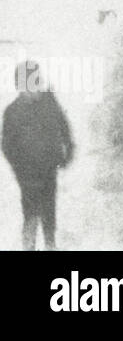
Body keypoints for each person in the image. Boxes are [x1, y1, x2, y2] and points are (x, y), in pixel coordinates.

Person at [2, 62, 73, 251]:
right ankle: (29, 246)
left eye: (37, 81)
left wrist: (68, 150)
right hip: (27, 174)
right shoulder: (13, 111)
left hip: (49, 167)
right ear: (20, 86)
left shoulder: (49, 103)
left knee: (49, 209)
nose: (36, 88)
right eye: (30, 84)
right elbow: (7, 146)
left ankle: (50, 244)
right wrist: (19, 168)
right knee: (31, 212)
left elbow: (63, 125)